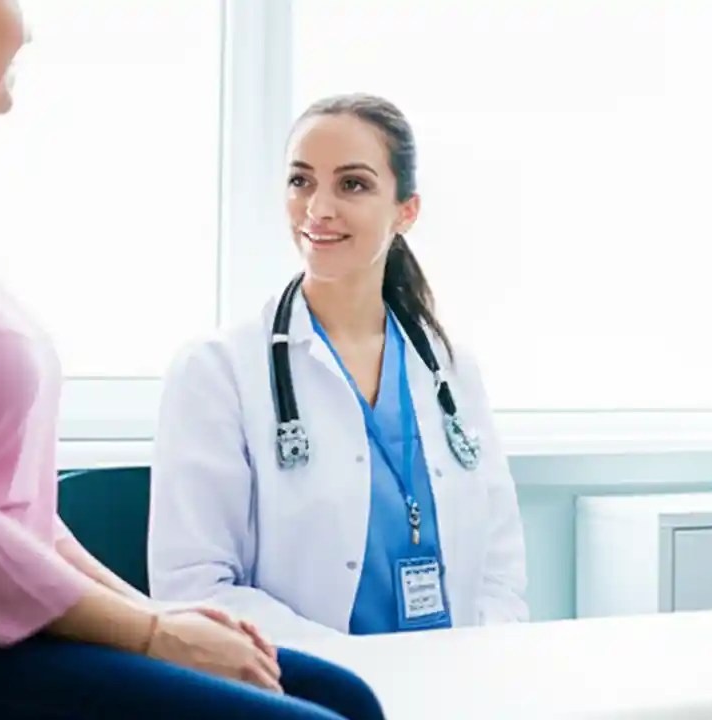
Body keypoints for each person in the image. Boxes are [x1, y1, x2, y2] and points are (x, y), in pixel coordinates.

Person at [0, 2, 383, 718]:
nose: (29, 28)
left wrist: (164, 622)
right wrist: (155, 634)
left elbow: (21, 515)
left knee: (343, 694)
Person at [148, 94, 529, 643]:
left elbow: (501, 569)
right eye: (301, 181)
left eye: (352, 184)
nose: (318, 208)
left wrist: (476, 657)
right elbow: (193, 585)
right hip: (306, 688)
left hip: (454, 681)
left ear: (406, 211)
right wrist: (347, 670)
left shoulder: (450, 370)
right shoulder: (218, 372)